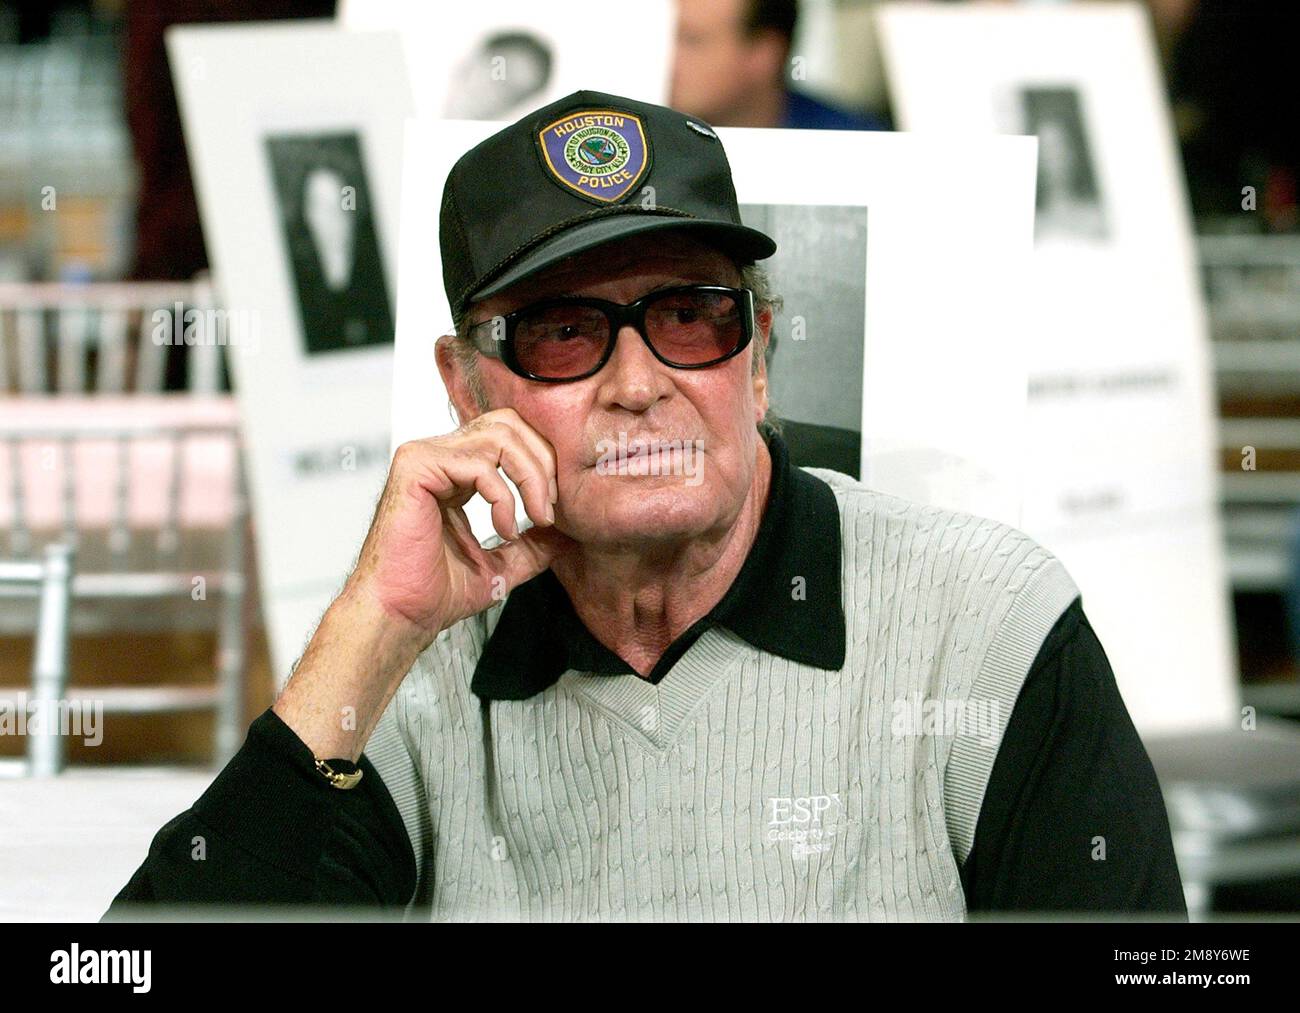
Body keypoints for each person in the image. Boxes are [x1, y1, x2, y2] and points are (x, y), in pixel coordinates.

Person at [106, 89, 1185, 921]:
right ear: (468, 388)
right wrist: (369, 633)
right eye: (566, 331)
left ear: (757, 358)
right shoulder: (412, 672)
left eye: (687, 314)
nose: (638, 381)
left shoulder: (987, 624)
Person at [670, 0, 886, 131]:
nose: (670, 58)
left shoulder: (854, 145)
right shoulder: (650, 135)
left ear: (765, 54)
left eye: (691, 40)